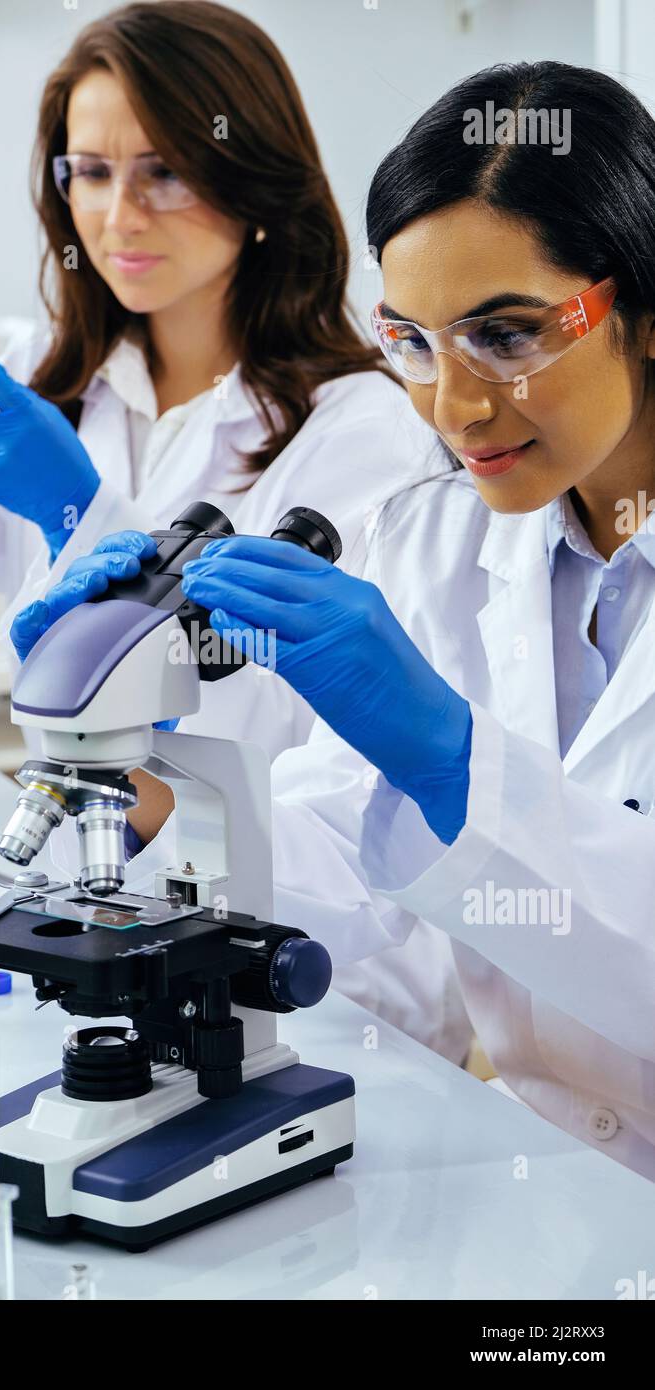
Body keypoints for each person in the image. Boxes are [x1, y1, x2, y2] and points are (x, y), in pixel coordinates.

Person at [0, 3, 465, 1058]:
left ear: (255, 185)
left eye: (163, 172)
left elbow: (261, 737)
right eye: (90, 173)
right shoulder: (52, 383)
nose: (118, 215)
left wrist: (80, 515)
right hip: (124, 906)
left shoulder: (363, 433)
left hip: (332, 989)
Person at [163, 60, 655, 1179]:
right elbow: (347, 856)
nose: (454, 405)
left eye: (507, 336)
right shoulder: (430, 537)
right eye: (413, 342)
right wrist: (149, 787)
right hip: (547, 1178)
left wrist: (454, 764)